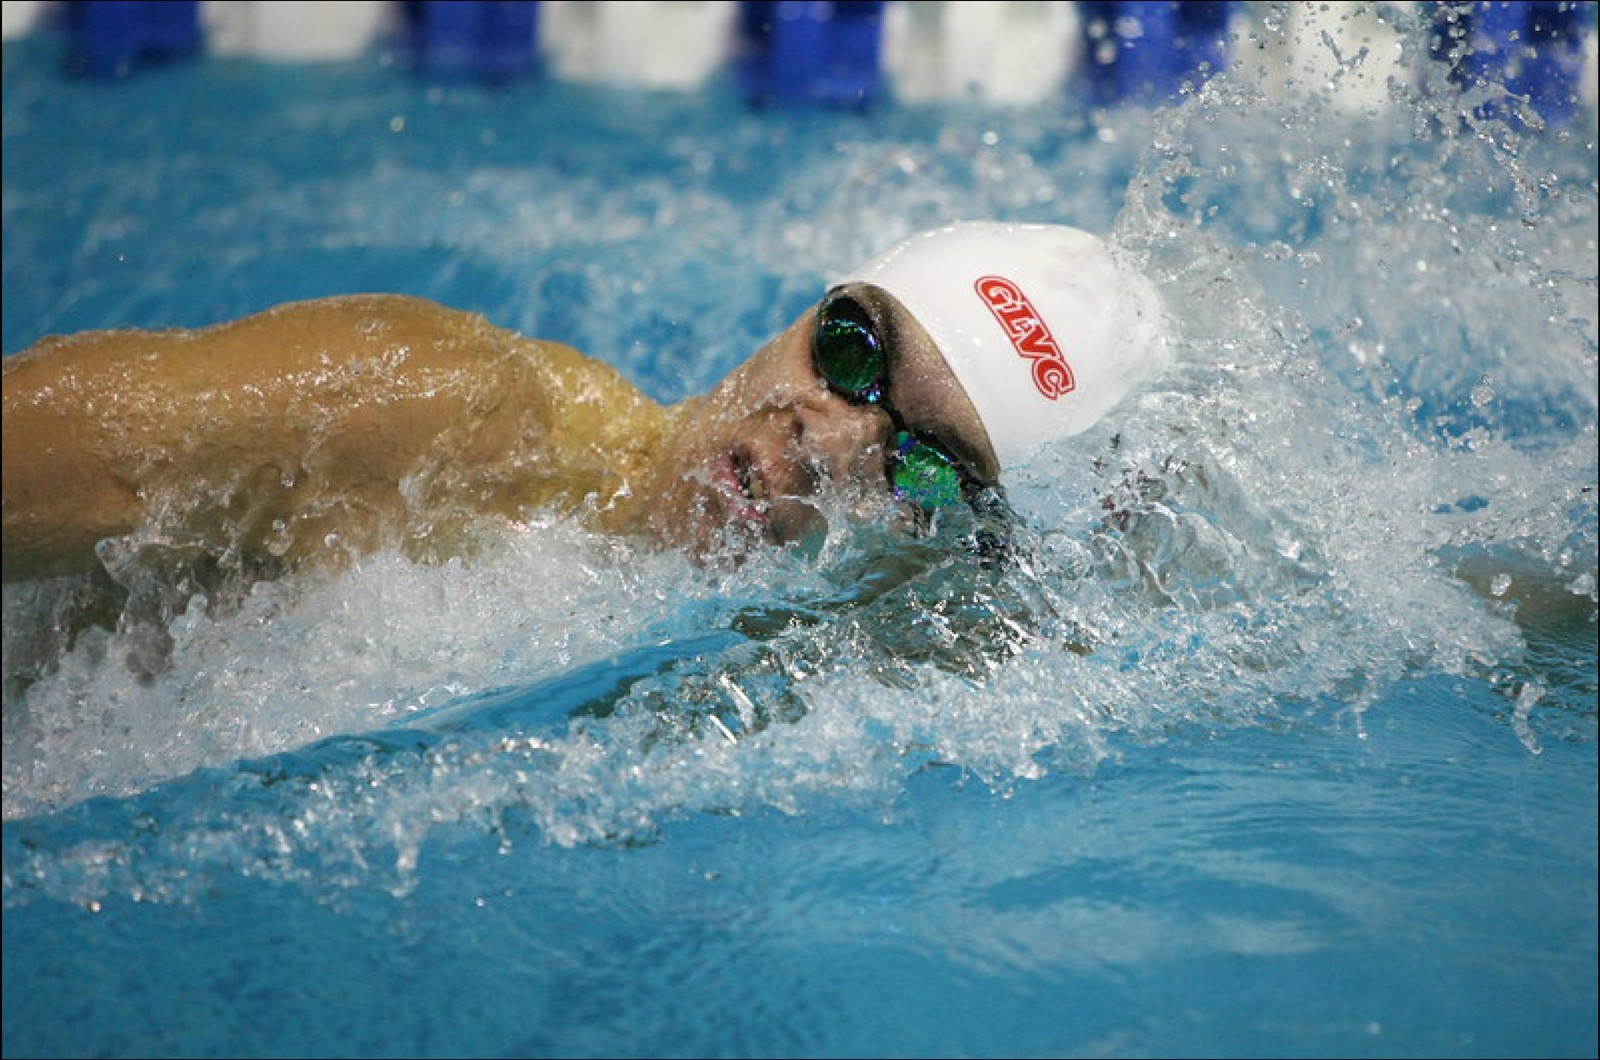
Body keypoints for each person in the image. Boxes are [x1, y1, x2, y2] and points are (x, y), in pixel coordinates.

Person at [1, 222, 1168, 584]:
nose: (832, 436)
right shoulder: (436, 417)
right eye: (854, 355)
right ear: (813, 308)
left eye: (920, 463)